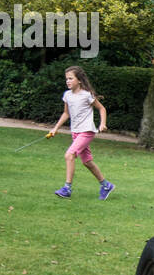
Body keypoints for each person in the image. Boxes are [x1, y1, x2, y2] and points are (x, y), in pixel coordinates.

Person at [46, 66, 113, 199]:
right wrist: (55, 128)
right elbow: (66, 113)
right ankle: (106, 185)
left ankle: (67, 188)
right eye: (66, 79)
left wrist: (102, 124)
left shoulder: (87, 95)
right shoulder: (67, 95)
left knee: (69, 155)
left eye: (71, 78)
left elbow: (102, 108)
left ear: (79, 80)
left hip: (87, 131)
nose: (68, 81)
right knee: (87, 161)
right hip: (75, 132)